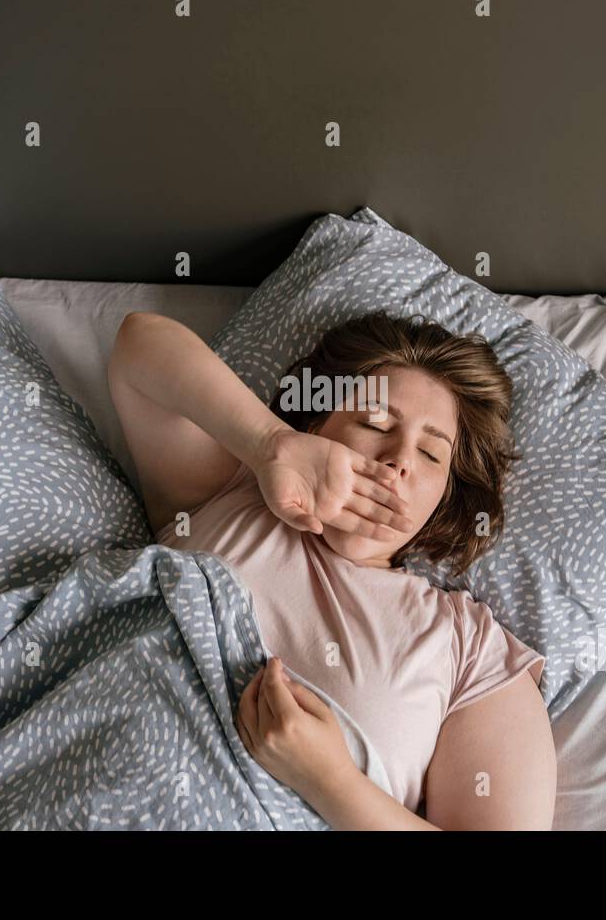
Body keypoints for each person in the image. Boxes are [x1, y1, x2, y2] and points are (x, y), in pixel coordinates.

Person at [107, 310, 555, 830]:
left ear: (443, 498)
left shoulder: (470, 649)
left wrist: (331, 782)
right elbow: (138, 343)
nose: (399, 460)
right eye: (374, 423)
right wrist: (269, 446)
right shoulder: (229, 491)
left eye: (432, 454)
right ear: (316, 427)